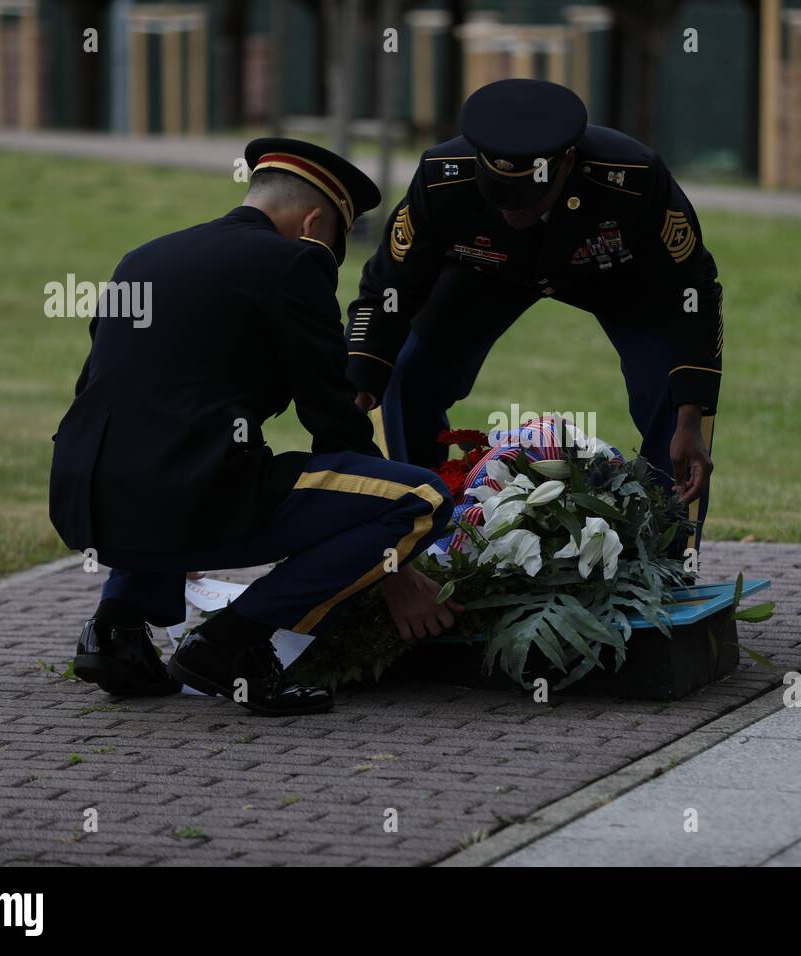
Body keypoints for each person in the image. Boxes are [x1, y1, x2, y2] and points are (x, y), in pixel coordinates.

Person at [48, 138, 458, 716]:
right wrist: (395, 567)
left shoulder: (144, 256)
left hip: (82, 497)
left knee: (159, 452)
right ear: (317, 224)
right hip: (185, 497)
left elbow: (105, 390)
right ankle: (229, 644)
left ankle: (114, 631)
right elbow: (333, 419)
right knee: (417, 498)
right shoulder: (295, 262)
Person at [345, 79, 723, 542]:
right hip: (486, 269)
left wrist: (690, 417)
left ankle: (669, 553)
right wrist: (358, 386)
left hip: (612, 272)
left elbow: (693, 290)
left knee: (670, 384)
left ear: (566, 162)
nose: (511, 213)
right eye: (497, 195)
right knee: (407, 370)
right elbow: (388, 288)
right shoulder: (444, 175)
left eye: (526, 198)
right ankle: (425, 534)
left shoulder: (633, 175)